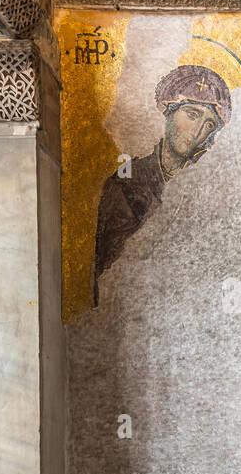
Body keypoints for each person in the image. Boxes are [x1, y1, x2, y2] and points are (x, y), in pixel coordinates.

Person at [93, 65, 231, 303]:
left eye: (209, 125)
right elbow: (108, 265)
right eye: (192, 114)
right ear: (169, 111)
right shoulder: (127, 181)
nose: (197, 131)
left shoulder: (202, 187)